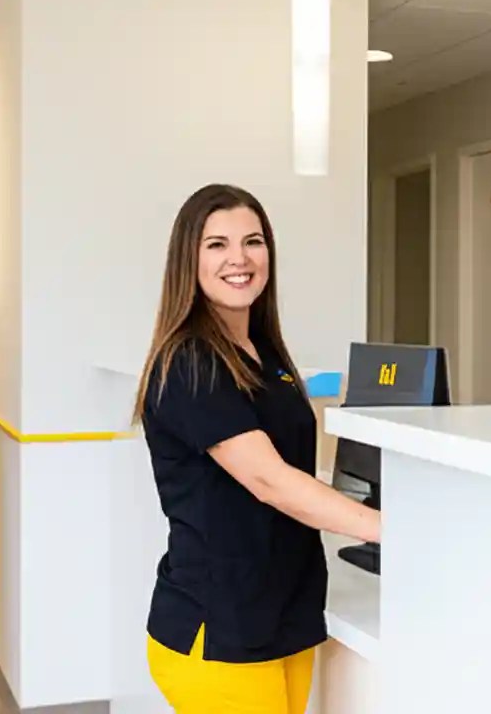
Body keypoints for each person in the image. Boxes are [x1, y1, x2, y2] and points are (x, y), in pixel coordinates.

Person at [131, 184, 381, 713]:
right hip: (221, 627)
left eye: (253, 241)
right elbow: (269, 479)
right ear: (188, 259)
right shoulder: (191, 361)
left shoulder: (265, 352)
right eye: (216, 244)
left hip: (281, 612)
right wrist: (391, 530)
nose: (239, 259)